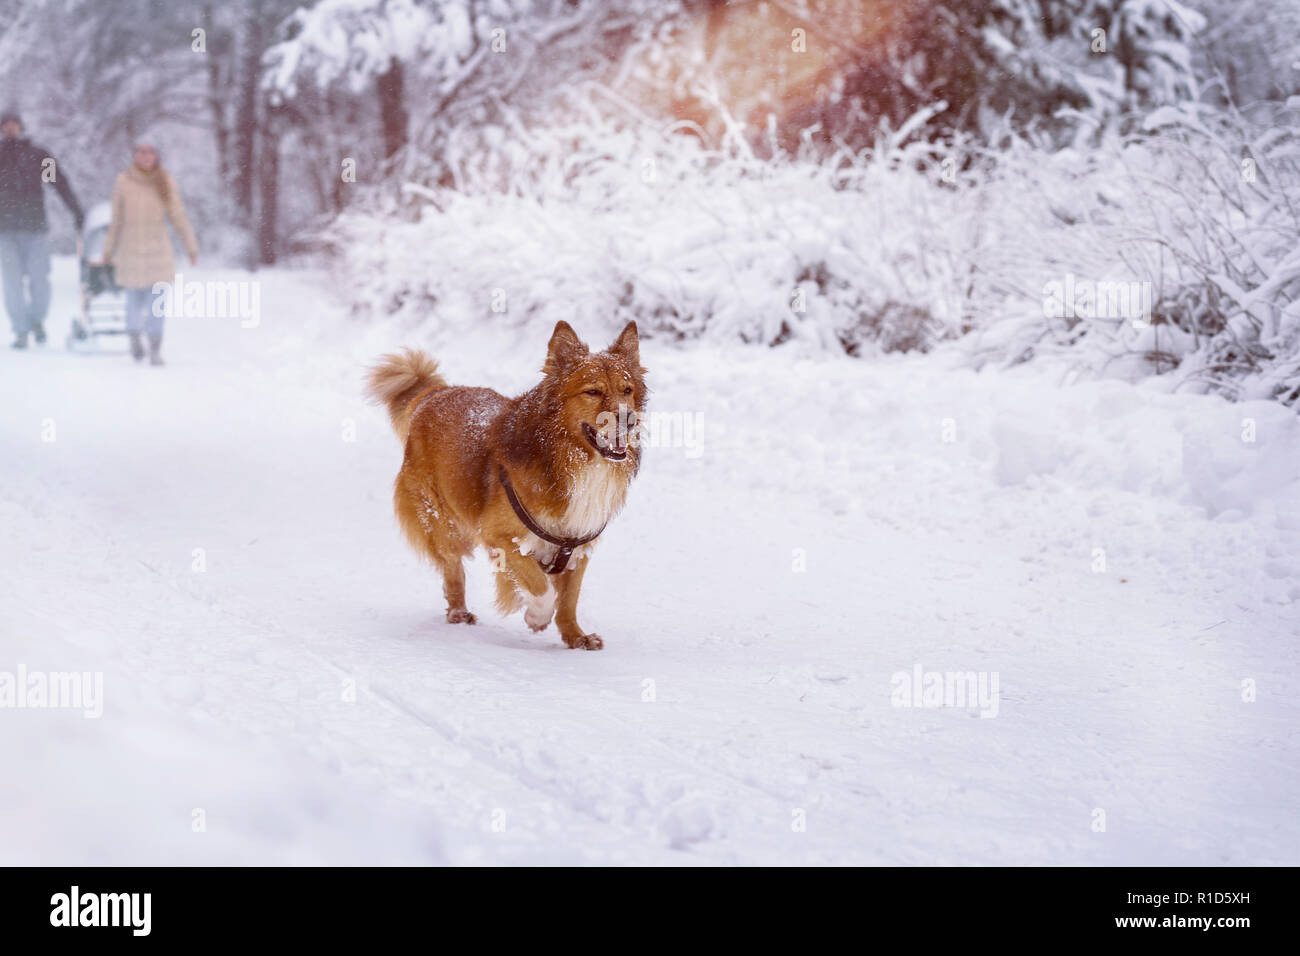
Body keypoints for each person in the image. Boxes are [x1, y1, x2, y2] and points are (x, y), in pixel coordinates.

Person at [100, 142, 198, 365]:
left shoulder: (165, 180)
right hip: (130, 249)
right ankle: (134, 339)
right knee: (133, 302)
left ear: (156, 156)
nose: (145, 156)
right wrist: (108, 250)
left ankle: (155, 348)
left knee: (157, 303)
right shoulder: (123, 181)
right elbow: (117, 220)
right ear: (134, 155)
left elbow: (178, 216)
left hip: (158, 250)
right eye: (141, 152)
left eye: (150, 152)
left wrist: (191, 246)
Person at [0, 110, 84, 349]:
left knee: (40, 280)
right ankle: (20, 330)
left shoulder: (37, 155)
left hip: (35, 228)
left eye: (14, 124)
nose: (10, 128)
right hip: (5, 230)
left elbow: (58, 182)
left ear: (21, 126)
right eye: (6, 124)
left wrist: (76, 210)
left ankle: (37, 321)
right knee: (12, 283)